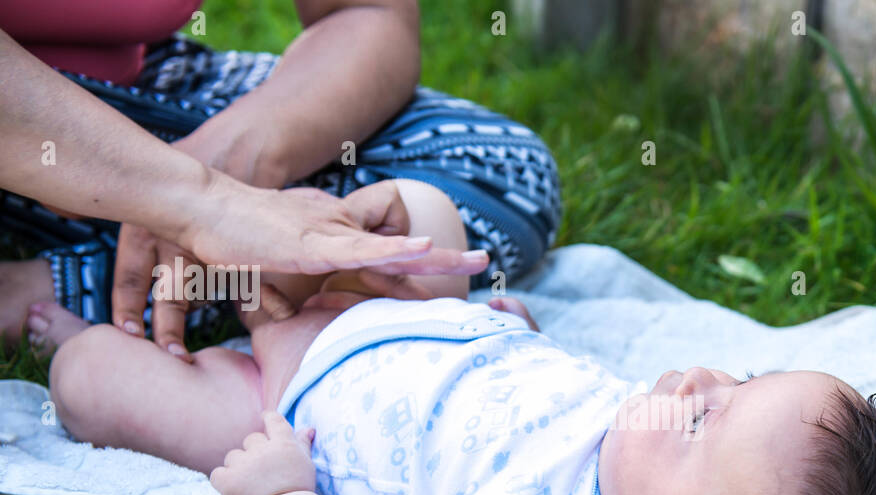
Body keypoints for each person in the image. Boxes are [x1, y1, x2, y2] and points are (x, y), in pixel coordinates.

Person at [42, 179, 876, 495]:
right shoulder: (637, 448)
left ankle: (69, 306)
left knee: (88, 381)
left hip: (291, 407)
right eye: (741, 378)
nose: (703, 377)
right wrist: (511, 336)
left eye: (707, 421)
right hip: (397, 310)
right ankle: (262, 225)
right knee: (425, 214)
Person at [1, 2, 561, 359]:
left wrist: (231, 161)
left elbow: (367, 11)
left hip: (129, 87)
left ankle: (43, 288)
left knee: (498, 169)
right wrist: (196, 202)